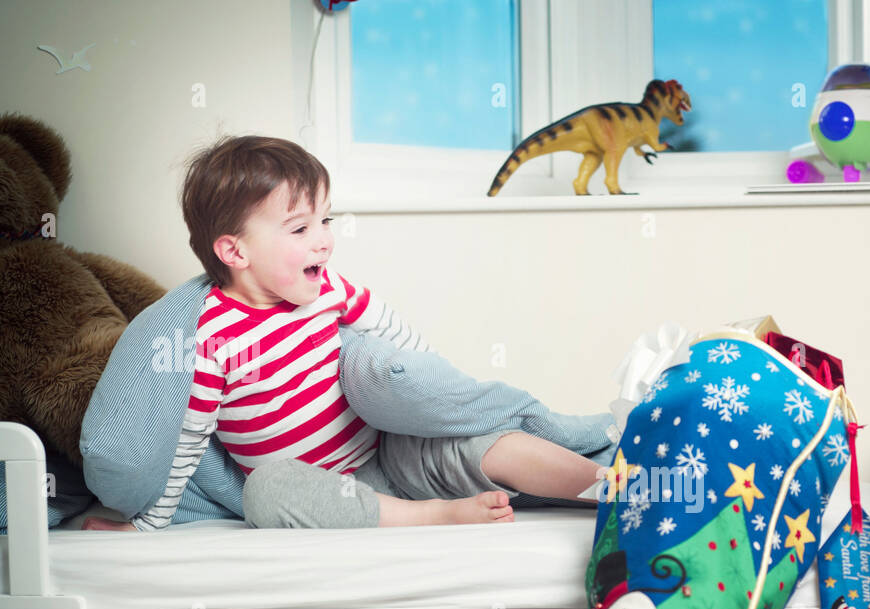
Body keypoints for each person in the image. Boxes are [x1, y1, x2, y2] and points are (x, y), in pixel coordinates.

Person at [85, 135, 605, 532]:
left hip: (388, 453)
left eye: (325, 220)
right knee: (264, 490)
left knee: (475, 445)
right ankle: (433, 517)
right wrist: (146, 523)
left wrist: (439, 389)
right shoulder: (212, 335)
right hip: (324, 489)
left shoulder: (327, 288)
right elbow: (189, 440)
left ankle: (614, 489)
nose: (325, 242)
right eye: (300, 228)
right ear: (236, 252)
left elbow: (393, 335)